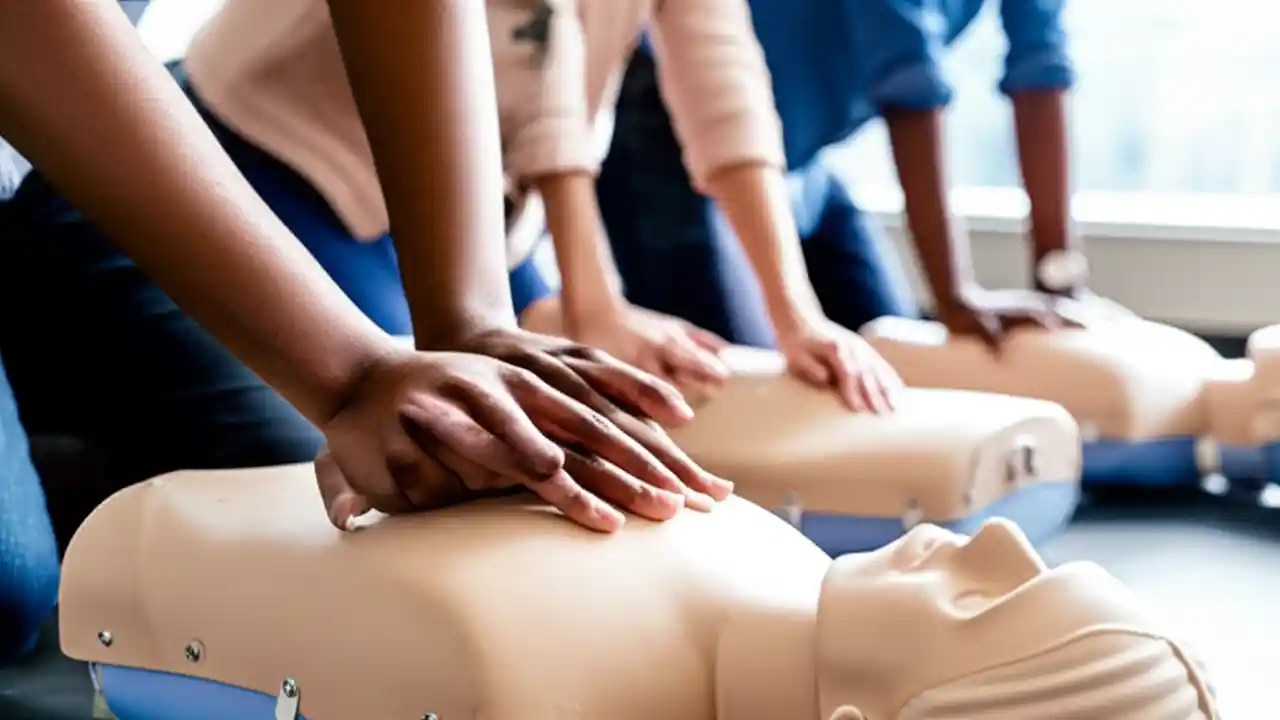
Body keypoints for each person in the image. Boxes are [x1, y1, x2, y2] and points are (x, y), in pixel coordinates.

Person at [0, 0, 728, 664]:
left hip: (56, 137)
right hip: (174, 124)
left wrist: (470, 325)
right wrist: (351, 378)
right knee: (11, 587)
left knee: (375, 467)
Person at [180, 0, 904, 415]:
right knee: (415, 419)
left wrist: (798, 316)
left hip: (474, 189)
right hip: (280, 144)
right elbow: (536, 52)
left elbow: (726, 85)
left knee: (554, 399)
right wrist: (594, 300)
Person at [598, 0, 1081, 350]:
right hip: (668, 135)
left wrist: (1058, 279)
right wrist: (954, 297)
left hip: (802, 161)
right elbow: (909, 80)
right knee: (755, 385)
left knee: (894, 361)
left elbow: (1041, 68)